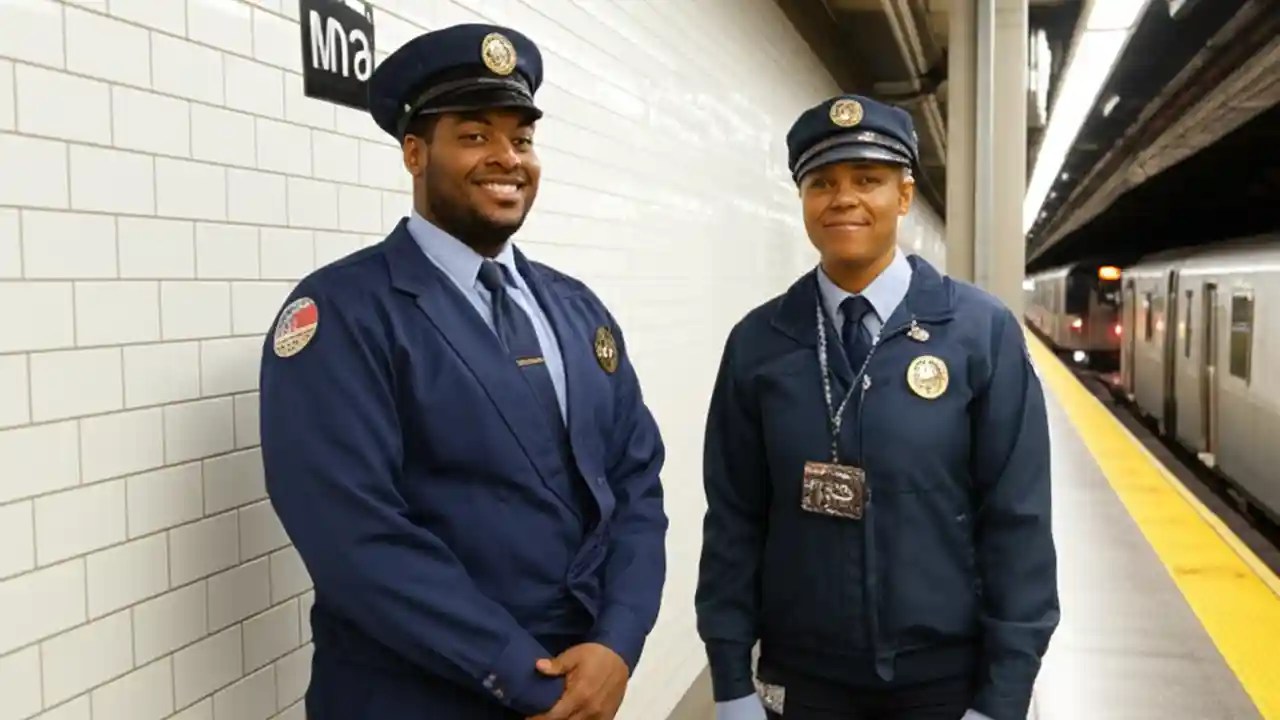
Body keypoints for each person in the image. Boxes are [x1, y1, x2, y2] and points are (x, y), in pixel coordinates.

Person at [258, 23, 667, 720]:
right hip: (417, 696)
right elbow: (355, 536)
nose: (507, 158)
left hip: (579, 687)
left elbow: (635, 486)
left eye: (523, 139)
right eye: (475, 136)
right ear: (415, 153)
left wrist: (618, 643)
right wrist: (532, 680)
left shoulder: (576, 310)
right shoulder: (343, 312)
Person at [694, 94, 1059, 720]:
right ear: (804, 200)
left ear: (904, 195)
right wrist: (730, 681)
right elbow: (733, 520)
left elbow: (1017, 520)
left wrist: (1004, 696)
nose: (844, 199)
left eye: (869, 180)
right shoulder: (760, 342)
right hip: (802, 681)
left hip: (944, 682)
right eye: (822, 182)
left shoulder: (978, 332)